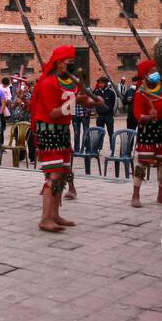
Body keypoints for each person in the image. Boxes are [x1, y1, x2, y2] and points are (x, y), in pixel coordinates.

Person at [31, 46, 100, 232]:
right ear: (59, 63)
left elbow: (81, 100)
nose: (72, 65)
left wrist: (96, 103)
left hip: (62, 131)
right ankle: (45, 218)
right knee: (53, 175)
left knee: (61, 174)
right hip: (49, 131)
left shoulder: (70, 82)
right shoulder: (47, 84)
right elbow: (53, 113)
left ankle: (54, 214)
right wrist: (75, 102)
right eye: (69, 62)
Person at [129, 59, 162, 208]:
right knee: (142, 163)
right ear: (144, 75)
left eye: (155, 71)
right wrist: (148, 117)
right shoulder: (140, 93)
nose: (155, 74)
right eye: (151, 72)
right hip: (147, 130)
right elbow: (137, 115)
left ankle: (161, 195)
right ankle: (135, 195)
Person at [94, 76, 118, 142]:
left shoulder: (111, 92)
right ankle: (99, 148)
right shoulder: (96, 92)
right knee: (99, 133)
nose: (100, 84)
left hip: (109, 116)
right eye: (99, 83)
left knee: (111, 133)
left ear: (106, 83)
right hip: (100, 116)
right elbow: (94, 103)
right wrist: (96, 112)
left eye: (102, 83)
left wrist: (112, 113)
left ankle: (111, 148)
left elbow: (115, 103)